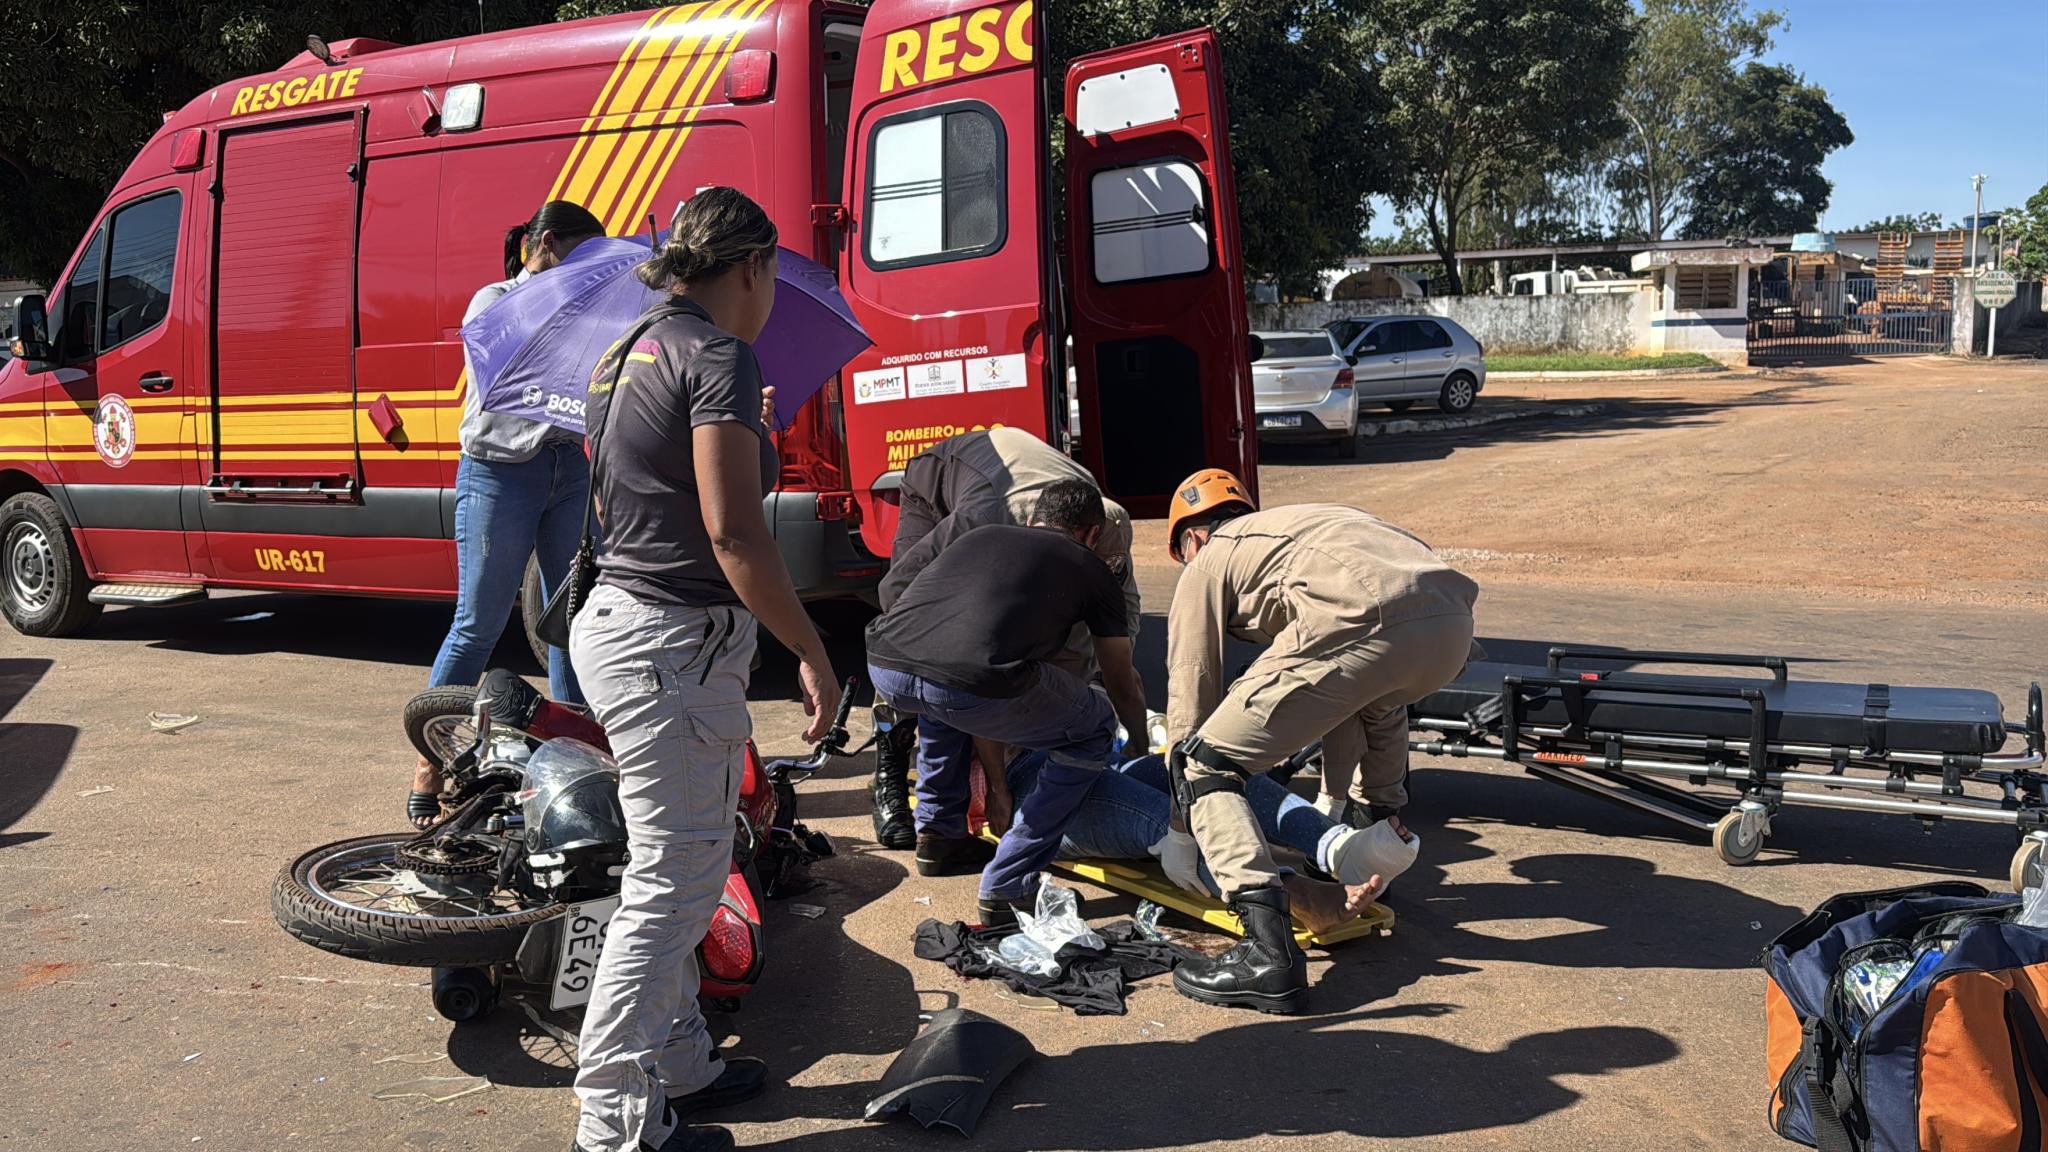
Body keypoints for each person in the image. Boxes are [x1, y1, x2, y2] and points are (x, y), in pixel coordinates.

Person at [567, 187, 841, 1152]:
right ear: (755, 266)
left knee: (687, 861)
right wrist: (813, 650)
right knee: (677, 879)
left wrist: (748, 435)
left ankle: (679, 1055)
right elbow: (731, 535)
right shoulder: (719, 355)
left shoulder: (627, 350)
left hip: (633, 630)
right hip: (670, 646)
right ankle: (612, 1118)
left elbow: (660, 493)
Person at [1158, 470, 1477, 1014]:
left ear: (1190, 538)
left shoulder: (1208, 559)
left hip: (1361, 612)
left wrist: (1181, 825)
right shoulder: (1305, 526)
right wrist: (1335, 798)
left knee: (1206, 764)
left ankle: (1266, 955)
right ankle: (1375, 849)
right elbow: (1342, 694)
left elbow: (1192, 685)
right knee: (1374, 697)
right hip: (1451, 622)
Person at [865, 480, 1149, 925]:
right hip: (967, 681)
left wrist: (999, 789)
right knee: (1093, 728)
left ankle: (939, 834)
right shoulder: (1091, 569)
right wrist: (1137, 742)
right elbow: (1120, 679)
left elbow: (967, 673)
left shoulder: (982, 536)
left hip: (887, 667)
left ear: (1036, 517)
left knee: (950, 697)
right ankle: (1010, 884)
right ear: (1091, 533)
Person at [409, 201, 605, 829]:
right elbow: (515, 363)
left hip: (565, 468)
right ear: (544, 244)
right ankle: (432, 763)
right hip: (499, 472)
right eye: (581, 259)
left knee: (568, 619)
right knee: (478, 623)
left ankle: (570, 758)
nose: (586, 273)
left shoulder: (584, 309)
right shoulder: (492, 299)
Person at [994, 748, 1385, 935]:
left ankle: (1337, 843)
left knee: (1212, 774)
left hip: (1095, 758)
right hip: (1029, 783)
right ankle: (1285, 891)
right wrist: (996, 793)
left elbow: (1123, 684)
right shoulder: (969, 643)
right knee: (1166, 820)